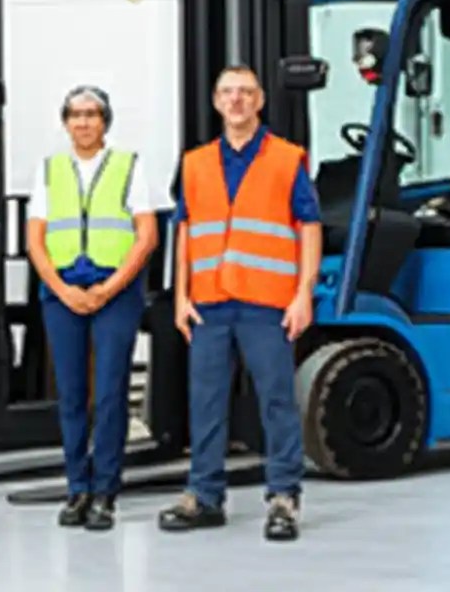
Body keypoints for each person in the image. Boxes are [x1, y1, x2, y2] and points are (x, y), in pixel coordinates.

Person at [157, 64, 321, 542]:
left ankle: (284, 496)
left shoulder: (287, 159)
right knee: (205, 402)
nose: (236, 100)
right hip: (209, 302)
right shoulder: (195, 163)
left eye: (245, 92)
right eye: (228, 92)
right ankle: (204, 495)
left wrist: (303, 294)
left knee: (276, 399)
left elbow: (309, 227)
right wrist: (180, 295)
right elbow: (185, 232)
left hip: (267, 302)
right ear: (216, 101)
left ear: (260, 100)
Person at [24, 85, 158, 531]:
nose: (83, 122)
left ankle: (105, 491)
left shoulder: (128, 165)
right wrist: (62, 289)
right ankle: (77, 487)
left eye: (92, 114)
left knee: (110, 391)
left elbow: (146, 235)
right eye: (75, 114)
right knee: (71, 393)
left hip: (115, 290)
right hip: (63, 291)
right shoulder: (50, 169)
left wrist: (108, 289)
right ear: (65, 122)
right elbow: (35, 239)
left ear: (105, 121)